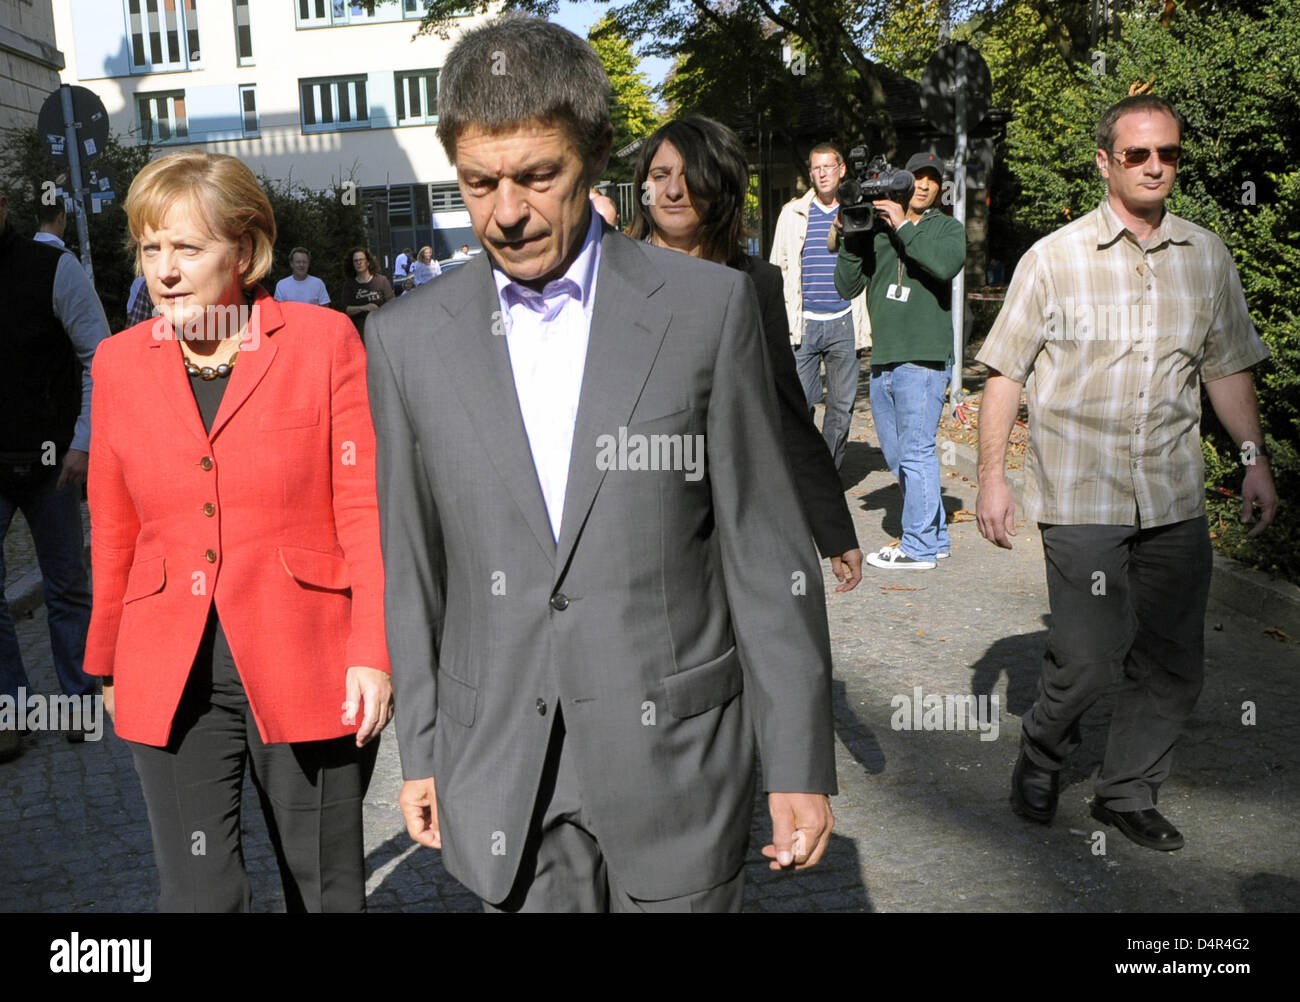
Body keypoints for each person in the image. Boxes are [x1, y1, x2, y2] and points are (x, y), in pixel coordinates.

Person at [367, 14, 836, 913]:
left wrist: (799, 760)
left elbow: (761, 546)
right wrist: (421, 748)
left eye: (538, 177)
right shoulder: (404, 341)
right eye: (478, 184)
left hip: (678, 765)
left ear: (594, 155)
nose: (507, 212)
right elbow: (413, 567)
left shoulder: (709, 309)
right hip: (501, 768)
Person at [85, 150, 393, 909]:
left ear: (245, 250)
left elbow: (364, 507)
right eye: (151, 249)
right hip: (171, 661)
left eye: (188, 249)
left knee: (323, 889)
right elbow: (113, 523)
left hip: (308, 653)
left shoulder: (323, 343)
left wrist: (373, 650)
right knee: (197, 894)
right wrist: (109, 665)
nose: (165, 270)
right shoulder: (120, 363)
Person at [975, 95, 1276, 851]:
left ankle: (1126, 792)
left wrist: (1253, 461)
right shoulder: (1054, 258)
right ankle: (1043, 750)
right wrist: (991, 479)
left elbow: (1227, 367)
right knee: (1087, 657)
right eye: (1138, 154)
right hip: (1081, 493)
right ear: (1105, 161)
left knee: (1173, 661)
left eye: (1168, 154)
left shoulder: (1206, 256)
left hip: (1172, 495)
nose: (1155, 166)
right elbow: (1006, 374)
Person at [628, 115, 862, 591]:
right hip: (631, 513)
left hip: (725, 516)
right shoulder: (610, 279)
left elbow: (786, 412)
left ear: (724, 188)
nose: (674, 190)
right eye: (659, 175)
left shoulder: (755, 284)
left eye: (692, 177)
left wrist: (833, 526)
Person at [0, 194, 108, 763]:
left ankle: (79, 702)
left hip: (52, 463)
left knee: (66, 584)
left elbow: (101, 356)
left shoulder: (54, 268)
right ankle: (9, 714)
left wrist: (83, 442)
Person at [834, 152, 966, 571]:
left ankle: (919, 547)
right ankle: (937, 537)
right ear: (903, 182)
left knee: (916, 452)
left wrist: (904, 226)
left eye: (932, 179)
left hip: (924, 359)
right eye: (918, 178)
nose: (924, 185)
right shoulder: (877, 230)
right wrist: (853, 237)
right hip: (885, 358)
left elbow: (945, 265)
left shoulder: (947, 228)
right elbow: (846, 287)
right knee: (898, 456)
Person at [769, 144, 871, 470]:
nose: (823, 173)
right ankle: (804, 472)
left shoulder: (858, 212)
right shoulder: (792, 214)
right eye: (816, 168)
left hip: (845, 321)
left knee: (841, 409)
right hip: (803, 323)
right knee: (801, 406)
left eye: (829, 166)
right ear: (810, 173)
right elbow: (776, 268)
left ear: (842, 170)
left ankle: (826, 473)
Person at [342, 247, 394, 341]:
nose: (359, 263)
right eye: (355, 261)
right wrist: (364, 307)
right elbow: (346, 309)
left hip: (381, 326)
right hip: (360, 330)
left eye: (361, 259)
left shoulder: (381, 280)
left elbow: (392, 304)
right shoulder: (349, 284)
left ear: (368, 262)